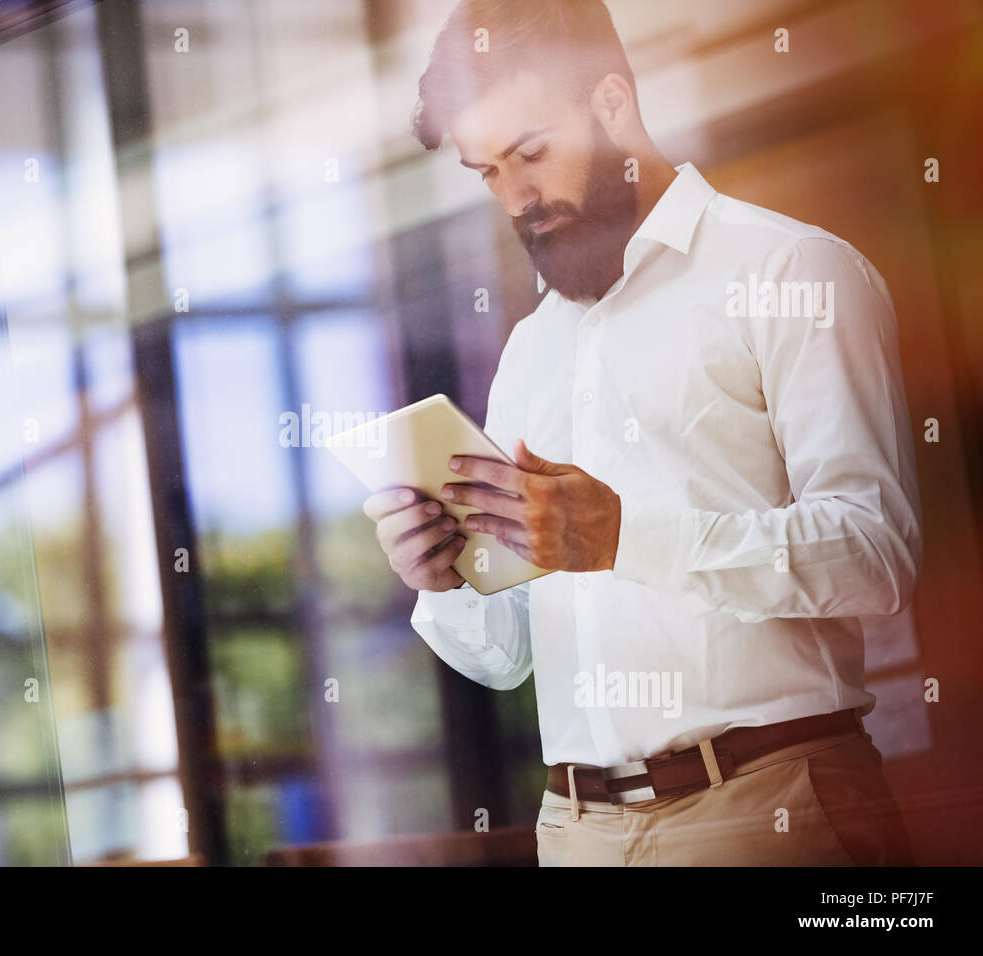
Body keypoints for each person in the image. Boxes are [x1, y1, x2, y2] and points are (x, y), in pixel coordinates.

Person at [362, 0, 921, 865]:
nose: (514, 197)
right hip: (575, 832)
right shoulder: (531, 350)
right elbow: (506, 656)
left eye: (532, 153)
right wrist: (445, 580)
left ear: (614, 104)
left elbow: (876, 554)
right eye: (486, 172)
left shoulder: (790, 272)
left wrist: (625, 535)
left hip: (771, 808)